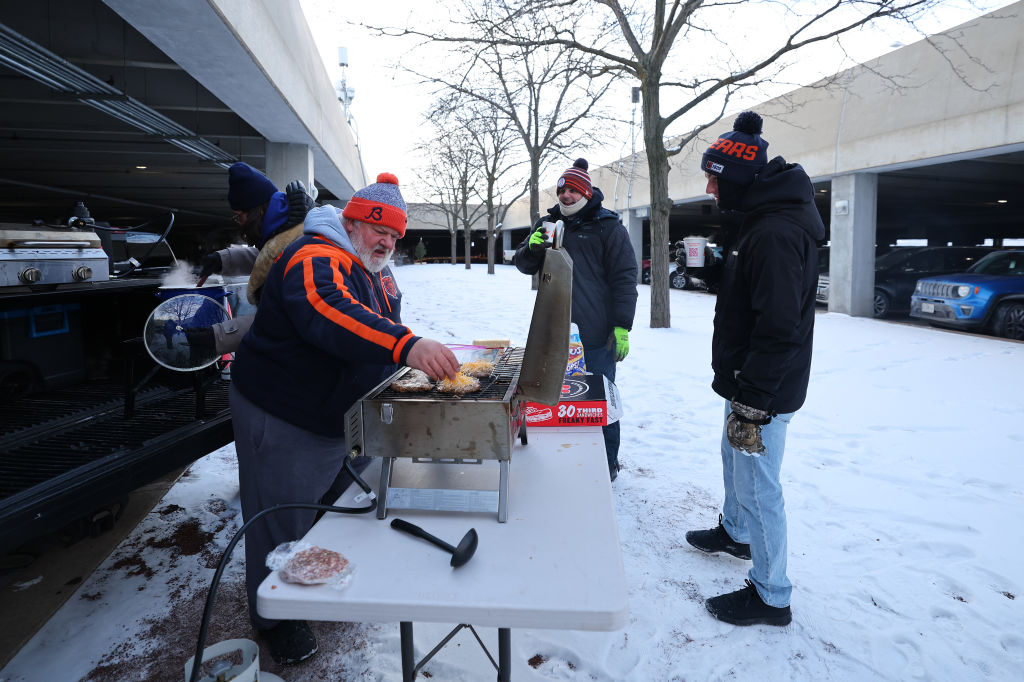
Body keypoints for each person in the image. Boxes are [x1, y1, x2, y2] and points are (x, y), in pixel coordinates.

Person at [228, 172, 460, 664]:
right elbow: (328, 310)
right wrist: (406, 346)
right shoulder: (315, 254)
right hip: (284, 410)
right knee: (280, 517)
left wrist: (402, 365)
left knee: (332, 507)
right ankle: (275, 617)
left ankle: (311, 580)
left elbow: (383, 322)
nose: (387, 242)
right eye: (379, 230)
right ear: (352, 222)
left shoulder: (374, 267)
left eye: (394, 235)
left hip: (338, 412)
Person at [683, 111, 825, 627]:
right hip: (746, 379)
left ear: (739, 177)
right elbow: (752, 293)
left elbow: (780, 327)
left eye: (714, 178)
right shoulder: (758, 222)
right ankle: (736, 533)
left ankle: (771, 595)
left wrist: (754, 402)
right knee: (733, 461)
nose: (708, 188)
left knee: (759, 486)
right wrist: (714, 270)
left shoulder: (776, 232)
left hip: (763, 389)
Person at [513, 158, 638, 481]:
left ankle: (607, 464)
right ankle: (565, 459)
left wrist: (621, 326)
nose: (565, 196)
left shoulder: (608, 227)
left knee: (600, 400)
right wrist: (531, 248)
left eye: (572, 190)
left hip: (595, 334)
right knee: (554, 396)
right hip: (553, 329)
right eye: (561, 191)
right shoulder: (548, 223)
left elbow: (625, 278)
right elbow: (524, 265)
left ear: (586, 193)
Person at [186, 162, 314, 354]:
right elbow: (270, 256)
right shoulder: (288, 230)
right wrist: (223, 259)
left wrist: (218, 336)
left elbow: (287, 319)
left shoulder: (302, 246)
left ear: (258, 211)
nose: (240, 224)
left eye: (240, 216)